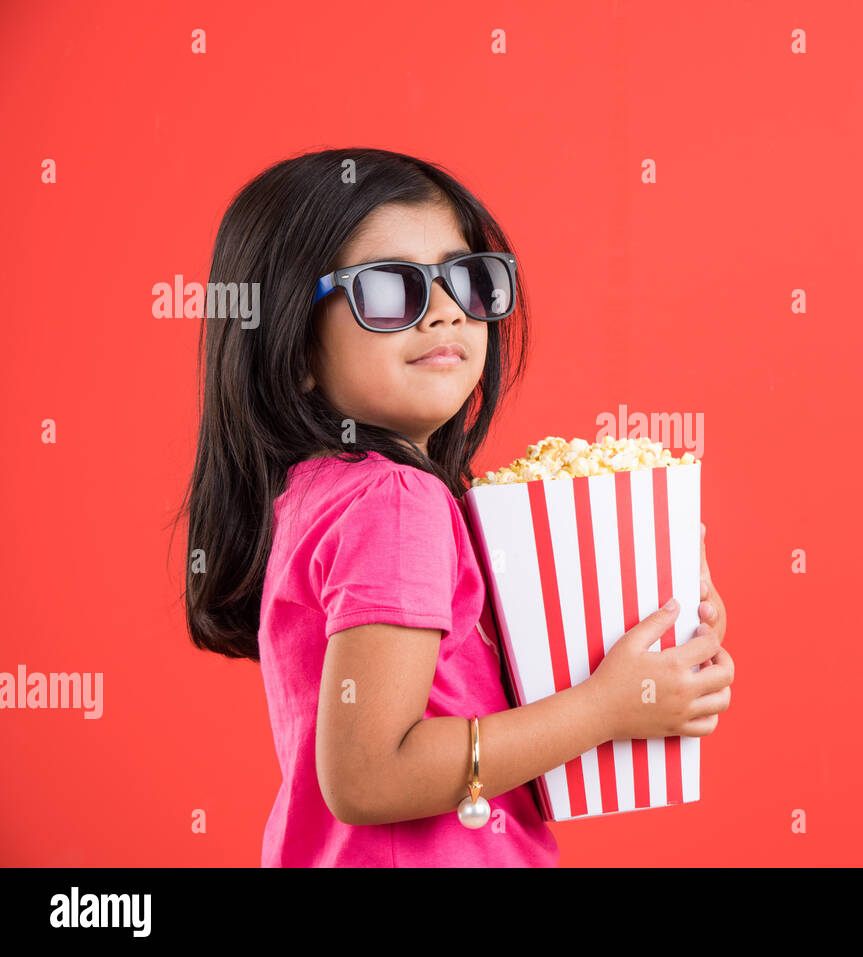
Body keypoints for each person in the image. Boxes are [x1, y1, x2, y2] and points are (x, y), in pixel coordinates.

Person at [176, 147, 733, 866]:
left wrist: (641, 627)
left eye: (467, 279)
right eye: (387, 289)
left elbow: (452, 705)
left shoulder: (326, 491)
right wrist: (605, 707)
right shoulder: (395, 499)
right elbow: (371, 773)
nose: (445, 312)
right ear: (295, 348)